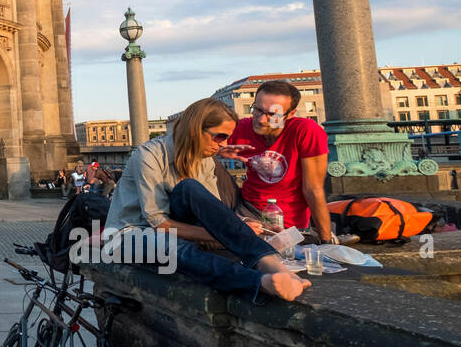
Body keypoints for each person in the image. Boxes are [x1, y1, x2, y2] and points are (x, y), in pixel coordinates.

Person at [103, 98, 312, 301]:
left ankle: (268, 262)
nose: (223, 145)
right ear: (195, 130)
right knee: (175, 247)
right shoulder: (149, 154)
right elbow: (158, 223)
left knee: (189, 188)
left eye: (227, 138)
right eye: (219, 137)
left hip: (174, 229)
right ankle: (260, 282)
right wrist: (221, 235)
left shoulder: (205, 161)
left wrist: (238, 225)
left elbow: (214, 213)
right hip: (130, 233)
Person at [227, 79, 334, 243]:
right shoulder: (242, 127)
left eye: (272, 114)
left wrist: (326, 241)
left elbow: (313, 189)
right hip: (247, 210)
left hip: (287, 222)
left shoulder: (305, 130)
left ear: (290, 114)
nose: (262, 120)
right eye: (258, 110)